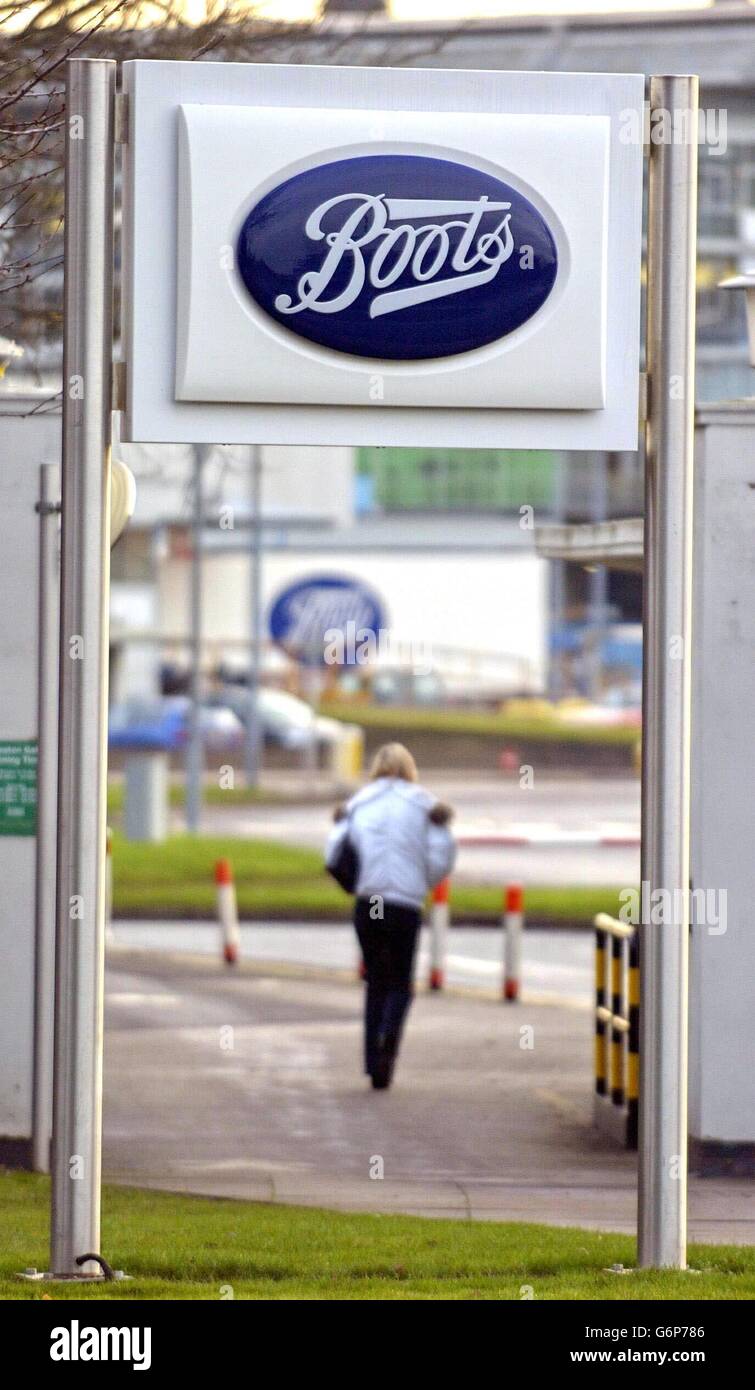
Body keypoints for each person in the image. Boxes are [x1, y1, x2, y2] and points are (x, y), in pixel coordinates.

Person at [325, 742, 456, 1090]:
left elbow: (333, 849)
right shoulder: (424, 804)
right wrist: (422, 882)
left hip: (370, 902)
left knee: (376, 981)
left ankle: (371, 1059)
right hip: (403, 904)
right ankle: (387, 1048)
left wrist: (355, 882)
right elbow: (443, 853)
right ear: (409, 769)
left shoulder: (359, 803)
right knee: (400, 982)